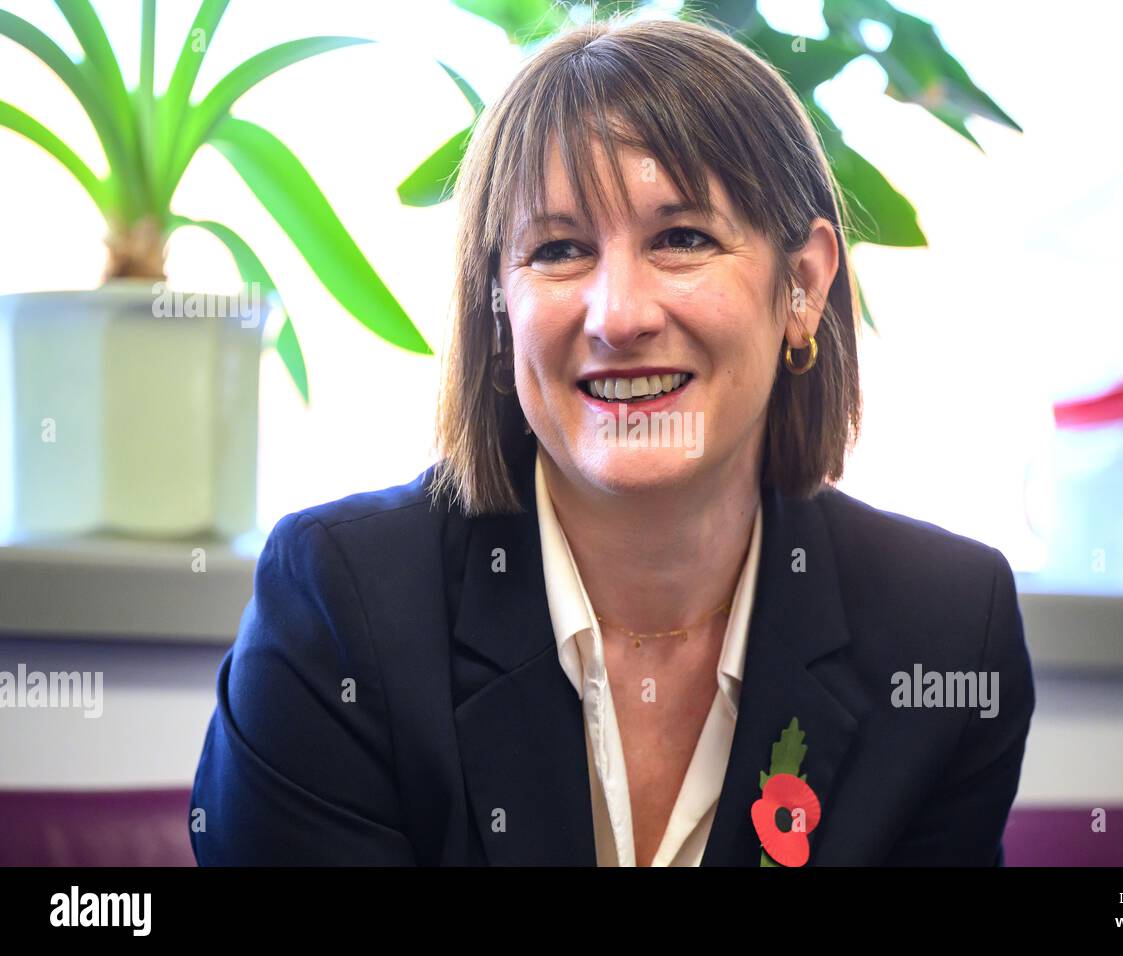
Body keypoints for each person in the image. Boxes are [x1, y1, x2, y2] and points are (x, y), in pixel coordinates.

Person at [190, 14, 1034, 866]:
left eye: (683, 239)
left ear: (804, 285)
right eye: (558, 250)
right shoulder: (341, 613)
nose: (619, 316)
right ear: (499, 304)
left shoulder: (947, 631)